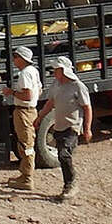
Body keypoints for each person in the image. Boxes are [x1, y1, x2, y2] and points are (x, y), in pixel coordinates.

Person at [38, 56, 93, 201]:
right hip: (59, 126)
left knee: (63, 154)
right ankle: (68, 183)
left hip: (72, 126)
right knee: (62, 156)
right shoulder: (56, 85)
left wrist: (87, 128)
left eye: (56, 69)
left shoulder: (78, 86)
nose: (54, 71)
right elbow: (50, 103)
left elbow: (87, 108)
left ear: (64, 70)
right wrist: (39, 117)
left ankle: (71, 184)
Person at [4, 45, 42, 190]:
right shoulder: (33, 71)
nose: (14, 60)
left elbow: (27, 95)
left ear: (22, 59)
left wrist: (11, 92)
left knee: (25, 145)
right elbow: (38, 90)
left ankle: (27, 178)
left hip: (24, 112)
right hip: (30, 111)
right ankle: (25, 174)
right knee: (26, 143)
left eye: (16, 57)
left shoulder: (25, 74)